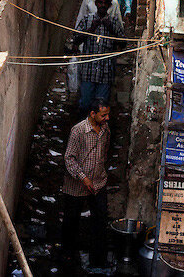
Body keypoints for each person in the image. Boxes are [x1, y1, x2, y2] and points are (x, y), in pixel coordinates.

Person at [62, 98, 111, 274]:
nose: (106, 118)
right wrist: (83, 178)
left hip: (99, 183)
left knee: (100, 221)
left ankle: (97, 260)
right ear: (92, 114)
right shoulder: (78, 131)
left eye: (107, 114)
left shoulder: (105, 129)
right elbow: (69, 158)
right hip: (76, 186)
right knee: (71, 222)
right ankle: (68, 258)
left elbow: (105, 152)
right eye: (103, 115)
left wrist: (97, 175)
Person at [73, 0, 124, 117]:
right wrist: (90, 30)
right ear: (96, 3)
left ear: (109, 5)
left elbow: (123, 43)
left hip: (105, 72)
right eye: (100, 2)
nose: (102, 5)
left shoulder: (114, 22)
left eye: (105, 3)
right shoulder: (87, 20)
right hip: (88, 71)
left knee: (101, 108)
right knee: (85, 104)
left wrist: (111, 29)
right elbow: (76, 40)